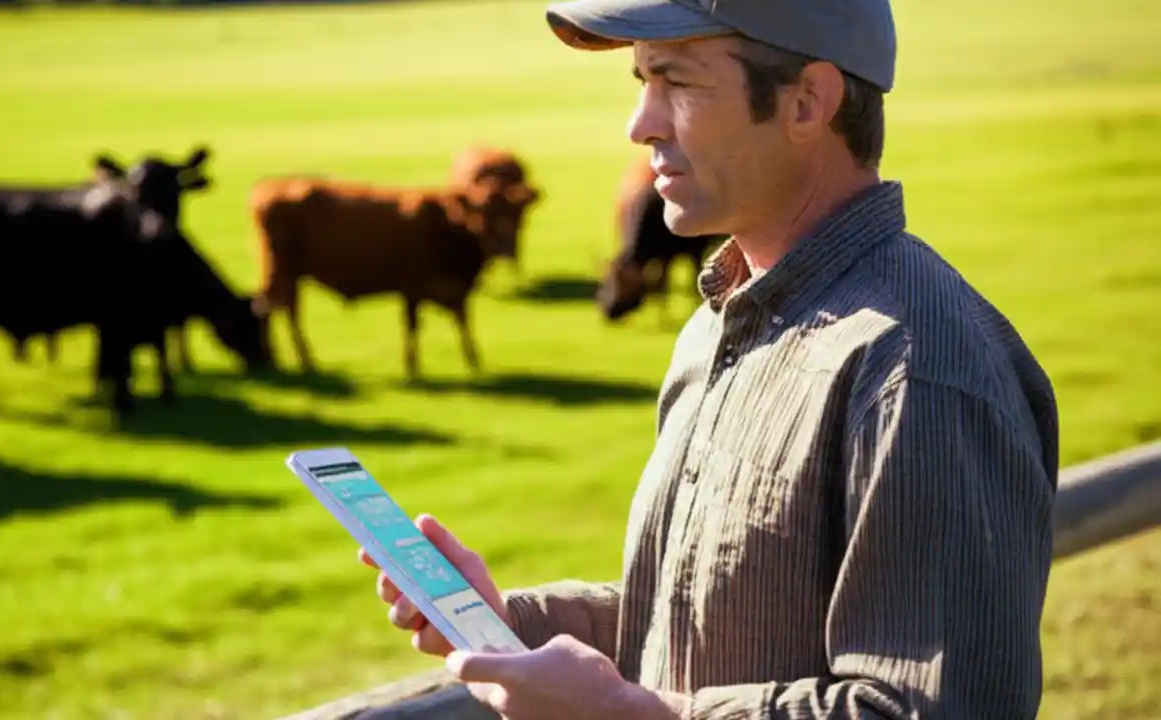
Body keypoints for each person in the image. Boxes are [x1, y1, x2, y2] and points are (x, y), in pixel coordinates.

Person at [359, 0, 1060, 716]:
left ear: (806, 102)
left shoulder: (916, 372)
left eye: (679, 83)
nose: (641, 125)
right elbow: (695, 615)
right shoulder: (717, 323)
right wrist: (513, 627)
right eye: (641, 82)